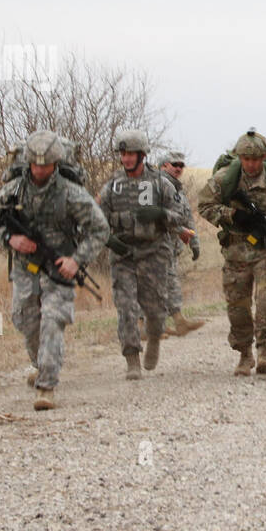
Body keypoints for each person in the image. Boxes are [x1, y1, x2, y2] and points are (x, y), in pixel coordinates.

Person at [0, 130, 109, 409]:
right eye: (36, 164)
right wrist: (10, 238)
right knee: (27, 321)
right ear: (28, 162)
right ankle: (41, 363)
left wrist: (76, 260)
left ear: (55, 164)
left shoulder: (71, 193)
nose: (40, 170)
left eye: (46, 165)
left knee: (52, 320)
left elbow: (100, 229)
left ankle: (46, 386)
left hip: (59, 268)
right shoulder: (13, 190)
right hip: (24, 268)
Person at [196, 129, 266, 376]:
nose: (251, 164)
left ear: (264, 157)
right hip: (236, 250)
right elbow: (204, 205)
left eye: (256, 159)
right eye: (246, 159)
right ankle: (245, 353)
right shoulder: (225, 180)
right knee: (237, 306)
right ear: (239, 157)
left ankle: (265, 351)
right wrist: (233, 215)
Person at [97, 130, 189, 380]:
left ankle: (155, 339)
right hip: (124, 254)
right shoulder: (113, 186)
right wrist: (109, 239)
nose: (126, 159)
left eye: (131, 154)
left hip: (154, 252)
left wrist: (161, 214)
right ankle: (132, 360)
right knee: (126, 307)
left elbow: (180, 216)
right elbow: (96, 220)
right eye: (123, 154)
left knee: (155, 307)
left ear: (142, 155)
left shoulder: (160, 183)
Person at [156, 150, 205, 338]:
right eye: (174, 164)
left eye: (181, 165)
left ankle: (164, 324)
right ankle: (169, 322)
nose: (178, 168)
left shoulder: (177, 189)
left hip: (172, 247)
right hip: (157, 244)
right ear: (163, 166)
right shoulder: (157, 186)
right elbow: (157, 215)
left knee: (167, 284)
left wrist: (195, 242)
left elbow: (187, 218)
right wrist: (179, 231)